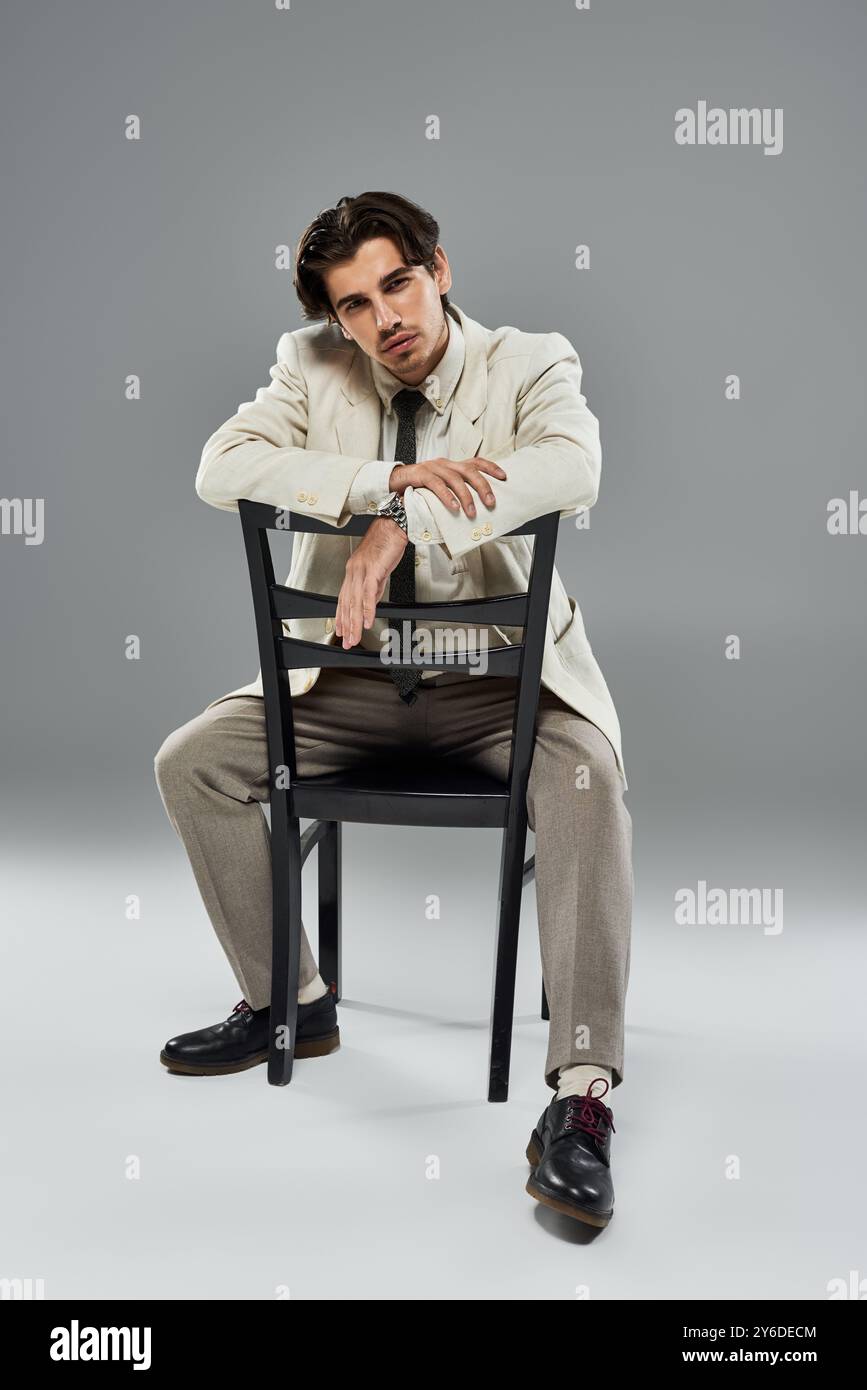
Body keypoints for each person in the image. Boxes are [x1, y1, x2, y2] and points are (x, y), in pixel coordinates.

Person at [154, 190, 632, 1228]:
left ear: (440, 269)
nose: (385, 320)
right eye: (356, 306)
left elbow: (571, 465)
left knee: (588, 779)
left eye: (398, 284)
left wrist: (401, 524)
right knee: (192, 761)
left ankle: (579, 1099)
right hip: (354, 686)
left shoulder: (530, 360)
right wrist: (388, 477)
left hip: (500, 690)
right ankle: (295, 999)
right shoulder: (311, 365)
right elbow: (221, 467)